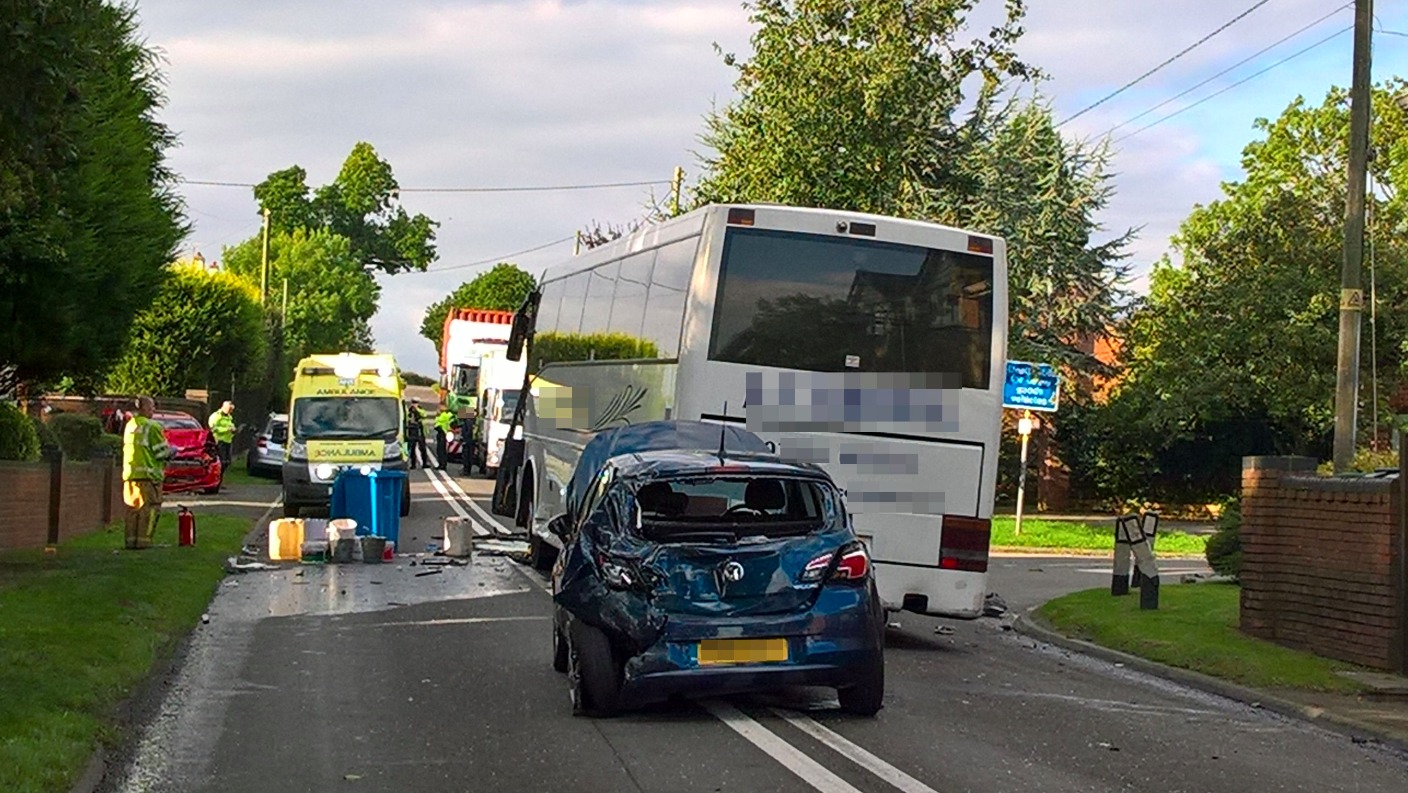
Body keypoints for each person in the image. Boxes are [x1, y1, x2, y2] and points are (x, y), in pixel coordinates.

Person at [123, 396, 171, 550]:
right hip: (149, 477)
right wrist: (173, 451)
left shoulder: (130, 425)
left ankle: (131, 541)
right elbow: (161, 453)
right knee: (149, 510)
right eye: (151, 407)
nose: (154, 410)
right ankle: (144, 542)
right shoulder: (153, 427)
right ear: (143, 408)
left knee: (133, 509)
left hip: (130, 475)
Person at [208, 400, 235, 478]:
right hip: (219, 441)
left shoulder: (229, 417)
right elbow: (213, 428)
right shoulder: (216, 416)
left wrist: (233, 429)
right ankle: (216, 478)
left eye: (231, 409)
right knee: (221, 462)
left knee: (227, 462)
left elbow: (230, 425)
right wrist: (227, 429)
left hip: (228, 441)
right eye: (229, 409)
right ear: (224, 407)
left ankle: (219, 478)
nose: (231, 411)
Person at [406, 398, 430, 469]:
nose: (414, 404)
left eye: (416, 403)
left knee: (422, 448)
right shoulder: (409, 410)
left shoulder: (421, 409)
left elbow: (424, 414)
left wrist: (417, 410)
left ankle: (425, 463)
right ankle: (413, 464)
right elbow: (407, 418)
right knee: (412, 448)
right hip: (412, 430)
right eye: (413, 402)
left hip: (419, 430)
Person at [433, 403, 454, 472]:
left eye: (439, 407)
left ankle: (442, 465)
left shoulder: (444, 415)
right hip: (442, 433)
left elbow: (436, 423)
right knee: (441, 450)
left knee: (441, 450)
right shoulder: (446, 414)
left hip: (443, 433)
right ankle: (441, 464)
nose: (438, 409)